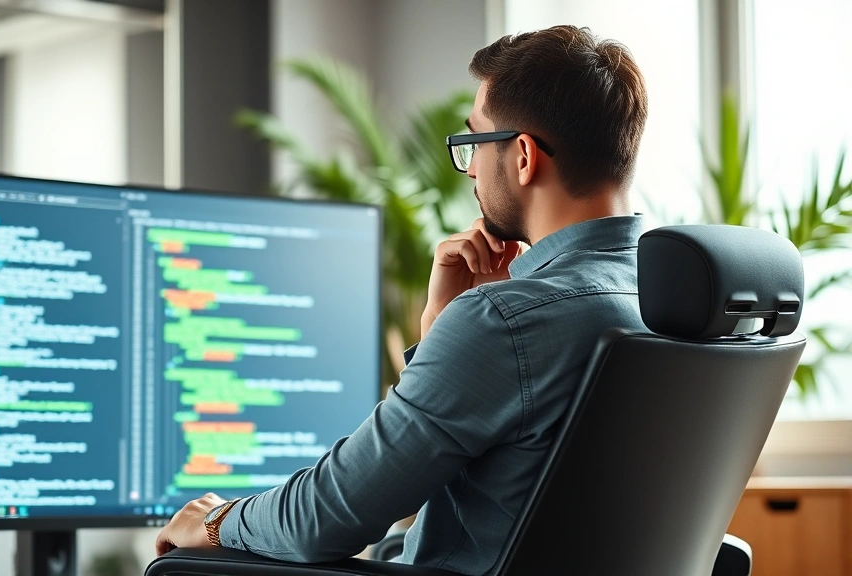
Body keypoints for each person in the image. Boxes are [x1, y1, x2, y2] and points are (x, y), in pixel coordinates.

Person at [156, 24, 649, 576]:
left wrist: (217, 520)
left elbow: (326, 518)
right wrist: (442, 329)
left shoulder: (507, 324)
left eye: (474, 144)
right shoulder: (670, 301)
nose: (471, 170)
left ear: (524, 157)